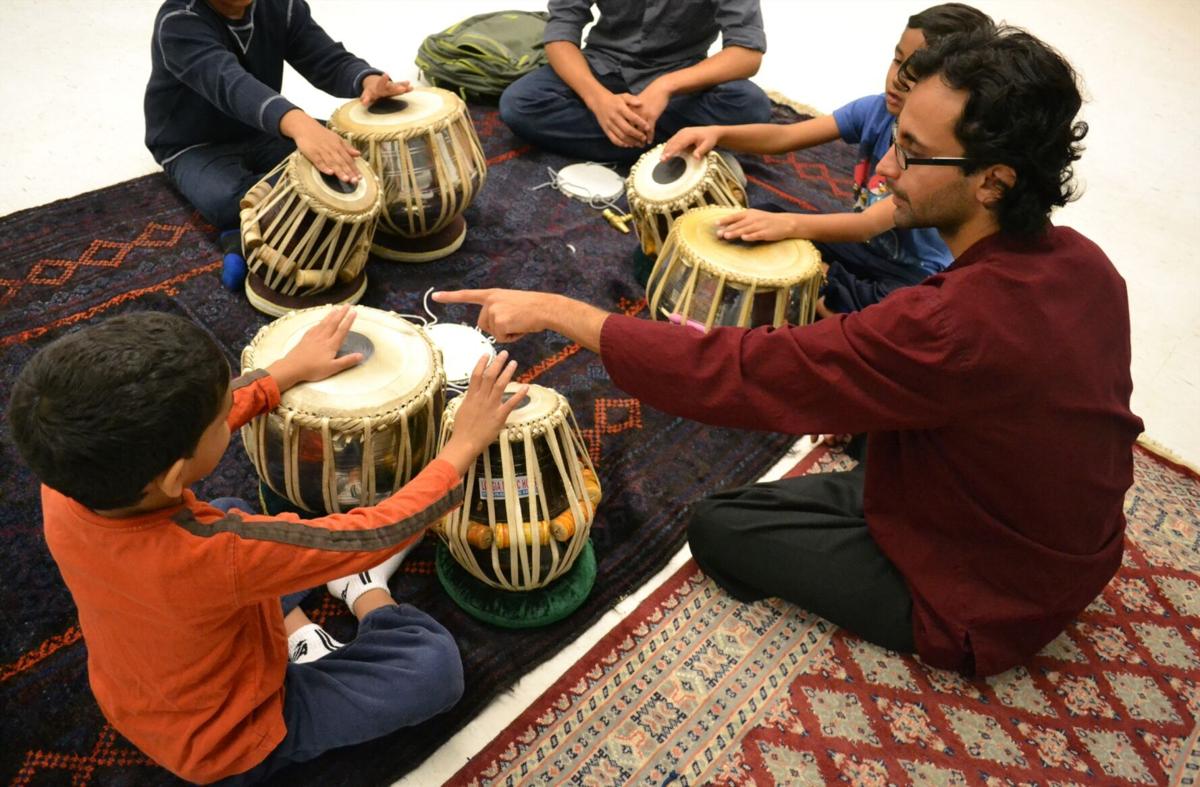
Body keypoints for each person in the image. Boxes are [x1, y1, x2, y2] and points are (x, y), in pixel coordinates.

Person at [434, 26, 1145, 676]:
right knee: (850, 462)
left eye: (915, 154)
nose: (887, 166)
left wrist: (558, 311)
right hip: (1044, 528)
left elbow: (742, 373)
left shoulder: (947, 325)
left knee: (720, 528)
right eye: (896, 137)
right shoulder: (1086, 264)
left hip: (991, 594)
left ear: (994, 180)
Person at [6, 305, 528, 783]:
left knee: (232, 510)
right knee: (433, 668)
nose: (229, 412)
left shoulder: (64, 481)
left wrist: (286, 372)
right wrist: (461, 446)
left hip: (140, 692)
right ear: (171, 476)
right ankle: (365, 597)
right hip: (231, 740)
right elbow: (372, 532)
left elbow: (189, 435)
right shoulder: (218, 554)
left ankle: (296, 628)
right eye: (219, 418)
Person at [663, 3, 993, 314]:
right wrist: (717, 133)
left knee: (898, 307)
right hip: (864, 248)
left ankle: (819, 289)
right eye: (897, 60)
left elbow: (867, 224)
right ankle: (821, 287)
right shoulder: (875, 110)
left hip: (911, 272)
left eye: (917, 72)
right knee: (759, 218)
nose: (897, 78)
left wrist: (789, 226)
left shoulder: (938, 149)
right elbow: (785, 136)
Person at [144, 0, 410, 236]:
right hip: (194, 144)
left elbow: (326, 58)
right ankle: (243, 236)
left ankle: (267, 221)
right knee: (227, 202)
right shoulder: (179, 21)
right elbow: (231, 85)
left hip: (261, 129)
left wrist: (367, 80)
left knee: (356, 156)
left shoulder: (281, 6)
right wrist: (301, 126)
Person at [499, 0, 771, 164]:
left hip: (682, 76)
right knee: (520, 104)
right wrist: (598, 100)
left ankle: (619, 137)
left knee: (751, 107)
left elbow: (747, 54)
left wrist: (666, 86)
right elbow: (560, 34)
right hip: (602, 65)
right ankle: (667, 144)